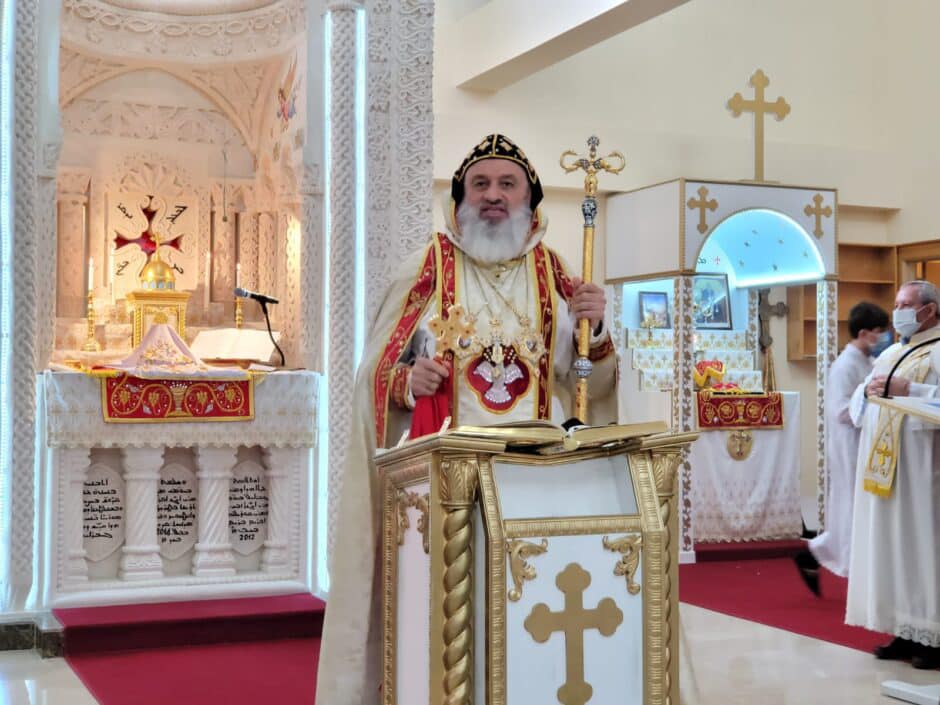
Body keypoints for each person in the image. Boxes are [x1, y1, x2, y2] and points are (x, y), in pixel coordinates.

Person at [315, 134, 618, 705]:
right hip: (441, 493)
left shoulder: (555, 274)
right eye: (480, 184)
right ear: (457, 203)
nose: (493, 196)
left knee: (524, 618)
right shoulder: (426, 267)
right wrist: (407, 383)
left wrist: (594, 331)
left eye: (508, 184)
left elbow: (588, 388)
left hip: (533, 487)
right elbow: (372, 380)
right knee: (448, 624)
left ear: (530, 203)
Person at [846, 280, 940, 670]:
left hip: (924, 473)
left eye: (906, 304)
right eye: (897, 302)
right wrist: (867, 392)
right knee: (893, 548)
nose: (898, 310)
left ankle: (932, 635)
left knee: (922, 548)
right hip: (886, 470)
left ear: (929, 311)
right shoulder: (892, 352)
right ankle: (904, 629)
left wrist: (910, 390)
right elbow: (858, 401)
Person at [794, 301, 890, 595]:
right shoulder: (845, 365)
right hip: (849, 446)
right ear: (863, 333)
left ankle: (814, 555)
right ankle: (850, 572)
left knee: (857, 510)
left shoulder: (867, 362)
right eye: (879, 332)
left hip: (865, 442)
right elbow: (839, 410)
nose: (884, 337)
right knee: (851, 510)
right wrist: (872, 402)